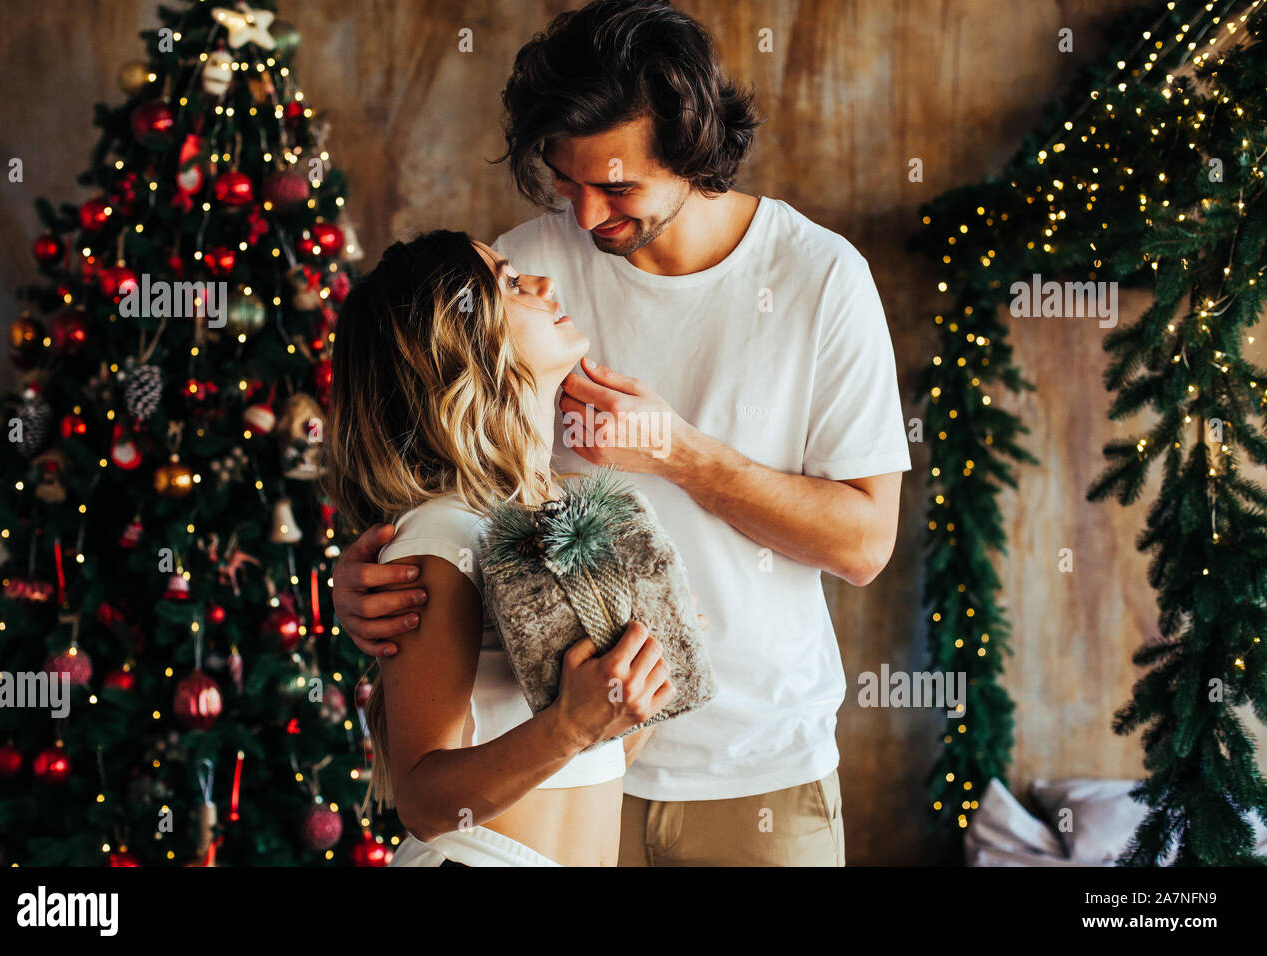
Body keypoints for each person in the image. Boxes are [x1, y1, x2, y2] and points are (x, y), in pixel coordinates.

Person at [332, 0, 911, 866]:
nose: (589, 217)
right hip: (547, 788)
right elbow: (440, 468)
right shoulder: (524, 276)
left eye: (617, 187)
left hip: (753, 772)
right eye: (567, 184)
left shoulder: (819, 279)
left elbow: (864, 544)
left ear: (695, 151)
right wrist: (369, 578)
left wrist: (676, 453)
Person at [323, 229, 680, 866]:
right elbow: (423, 804)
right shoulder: (442, 535)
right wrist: (569, 725)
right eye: (511, 284)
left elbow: (592, 754)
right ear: (462, 343)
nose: (543, 286)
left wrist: (636, 689)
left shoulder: (572, 517)